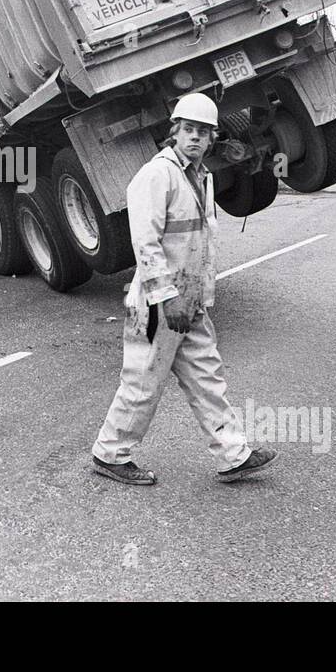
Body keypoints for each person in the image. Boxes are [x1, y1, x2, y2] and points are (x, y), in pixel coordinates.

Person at [90, 91, 277, 485]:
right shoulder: (157, 175)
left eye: (203, 132)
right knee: (143, 383)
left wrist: (199, 298)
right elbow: (145, 242)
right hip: (160, 304)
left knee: (208, 378)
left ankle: (233, 455)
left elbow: (199, 244)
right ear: (174, 132)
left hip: (190, 302)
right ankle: (110, 454)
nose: (195, 138)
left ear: (212, 139)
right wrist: (167, 297)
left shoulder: (199, 176)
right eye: (188, 130)